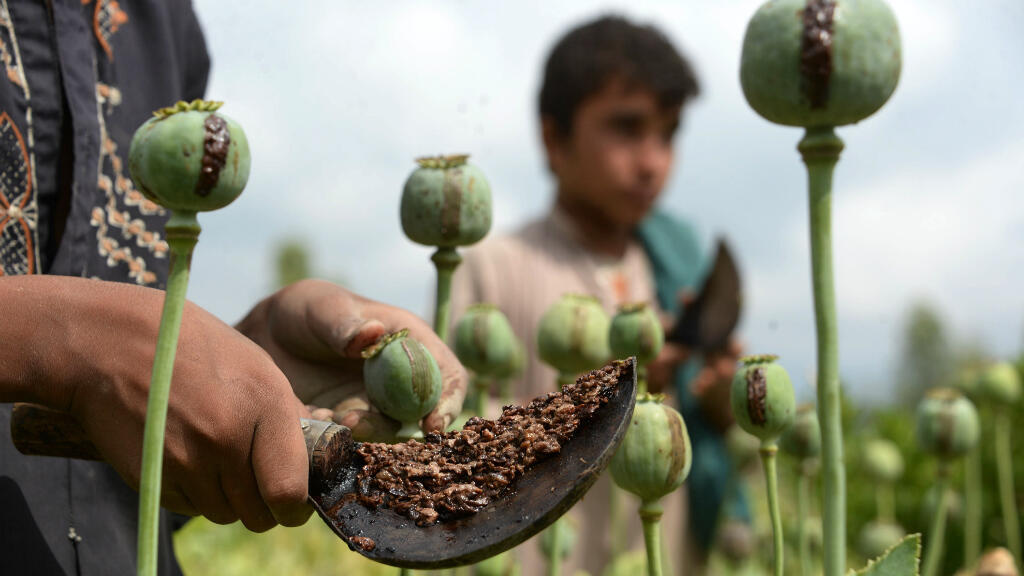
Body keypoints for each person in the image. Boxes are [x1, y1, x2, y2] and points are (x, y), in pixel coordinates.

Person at [0, 2, 465, 574]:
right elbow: (105, 348)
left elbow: (134, 416)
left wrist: (249, 360)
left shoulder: (165, 21)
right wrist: (68, 341)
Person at [451, 15, 744, 575]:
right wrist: (615, 390)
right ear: (554, 137)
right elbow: (453, 442)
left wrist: (718, 404)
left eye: (668, 133)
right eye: (627, 129)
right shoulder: (494, 270)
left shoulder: (673, 271)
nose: (652, 161)